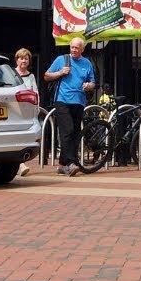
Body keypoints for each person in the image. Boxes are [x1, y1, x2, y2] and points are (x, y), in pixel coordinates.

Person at [44, 36, 96, 176]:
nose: (73, 50)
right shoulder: (62, 59)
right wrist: (60, 72)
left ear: (82, 49)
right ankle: (72, 163)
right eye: (72, 47)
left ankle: (61, 165)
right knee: (67, 130)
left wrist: (88, 85)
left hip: (79, 101)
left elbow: (93, 82)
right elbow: (46, 76)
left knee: (74, 133)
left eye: (76, 48)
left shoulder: (87, 63)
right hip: (62, 100)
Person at [14, 48, 38, 177]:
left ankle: (20, 164)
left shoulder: (31, 76)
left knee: (23, 138)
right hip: (14, 112)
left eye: (26, 58)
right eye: (21, 58)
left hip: (26, 112)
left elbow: (35, 93)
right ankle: (20, 164)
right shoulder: (12, 73)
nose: (24, 61)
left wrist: (36, 108)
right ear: (17, 59)